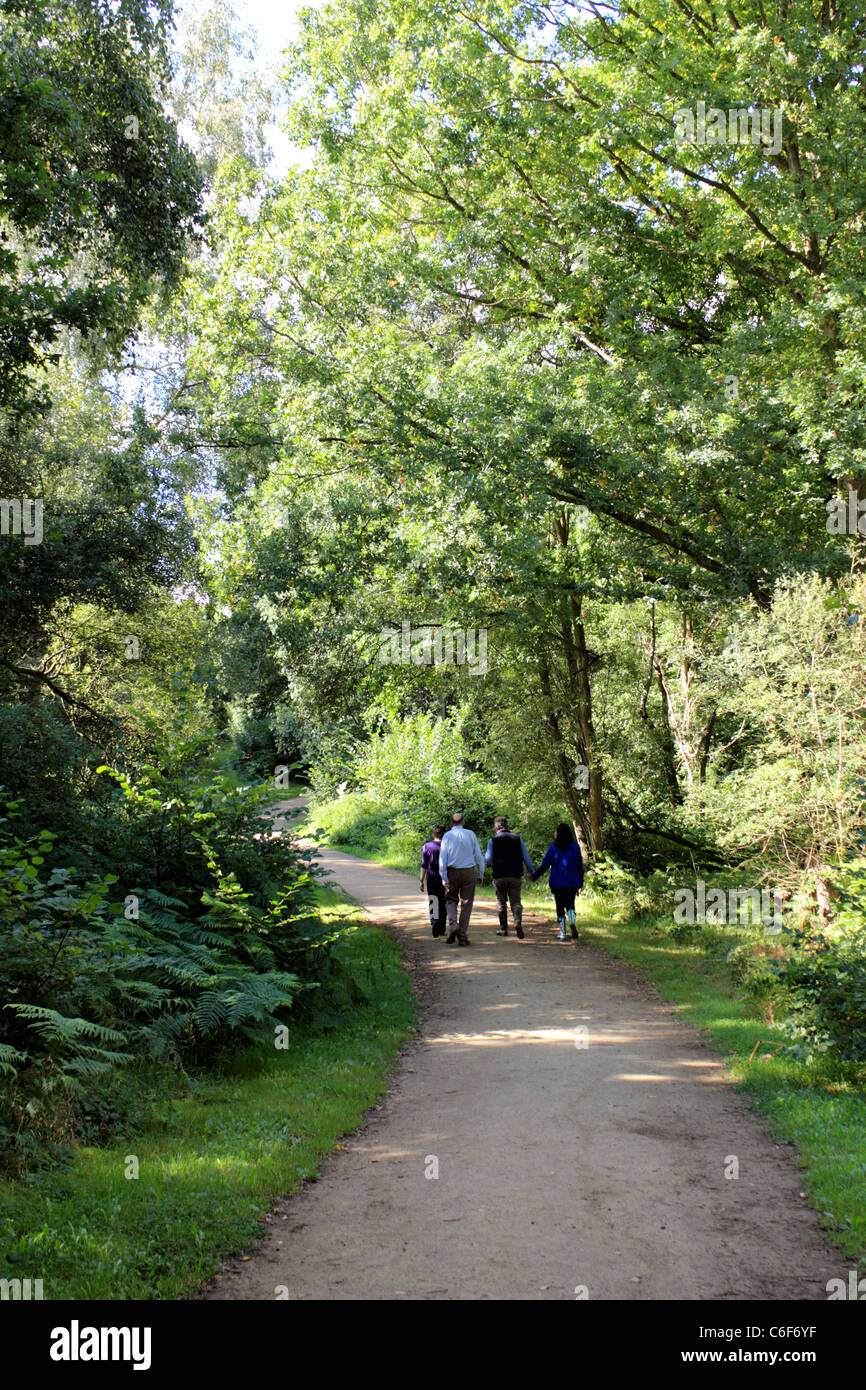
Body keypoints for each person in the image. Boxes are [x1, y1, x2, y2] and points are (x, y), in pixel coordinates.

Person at [438, 811, 485, 946]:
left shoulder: (447, 836)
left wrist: (444, 877)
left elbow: (442, 858)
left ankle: (453, 925)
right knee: (466, 903)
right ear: (463, 823)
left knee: (451, 900)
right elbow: (479, 856)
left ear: (452, 823)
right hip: (468, 872)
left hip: (452, 871)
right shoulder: (470, 834)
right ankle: (462, 936)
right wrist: (481, 874)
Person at [483, 815, 535, 939]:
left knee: (501, 901)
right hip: (515, 875)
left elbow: (488, 859)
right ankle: (517, 921)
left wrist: (486, 866)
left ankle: (503, 928)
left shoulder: (493, 841)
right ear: (508, 827)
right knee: (516, 901)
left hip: (499, 875)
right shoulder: (517, 838)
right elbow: (526, 857)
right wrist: (531, 870)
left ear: (496, 829)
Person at [531, 822, 584, 941]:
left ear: (558, 834)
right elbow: (580, 865)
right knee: (571, 903)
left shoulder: (553, 847)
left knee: (559, 906)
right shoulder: (575, 847)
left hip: (557, 882)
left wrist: (535, 876)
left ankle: (563, 932)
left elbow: (545, 864)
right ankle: (572, 919)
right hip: (572, 881)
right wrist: (581, 881)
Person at [420, 825, 447, 937]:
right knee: (443, 901)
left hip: (431, 877)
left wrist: (421, 880)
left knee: (433, 899)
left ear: (433, 834)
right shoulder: (447, 846)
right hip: (444, 878)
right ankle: (442, 927)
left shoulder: (427, 846)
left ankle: (434, 920)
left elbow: (424, 865)